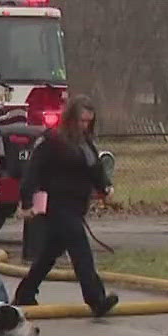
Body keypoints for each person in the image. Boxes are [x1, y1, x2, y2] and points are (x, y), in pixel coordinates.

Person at [12, 96, 119, 317]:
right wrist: (27, 202)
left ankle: (25, 293)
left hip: (76, 206)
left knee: (49, 254)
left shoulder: (86, 143)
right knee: (81, 251)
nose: (84, 125)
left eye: (89, 121)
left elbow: (95, 170)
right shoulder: (52, 140)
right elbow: (33, 171)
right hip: (57, 207)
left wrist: (106, 187)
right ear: (71, 118)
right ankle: (96, 300)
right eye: (81, 120)